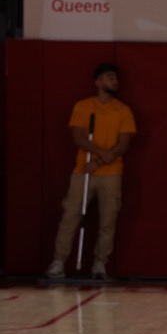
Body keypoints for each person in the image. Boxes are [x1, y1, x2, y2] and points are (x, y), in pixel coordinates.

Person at [47, 63, 136, 280]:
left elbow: (123, 144)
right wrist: (98, 156)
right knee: (71, 216)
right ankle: (58, 262)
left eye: (115, 77)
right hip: (83, 171)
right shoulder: (83, 107)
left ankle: (99, 265)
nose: (113, 81)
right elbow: (78, 137)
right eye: (109, 77)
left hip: (111, 174)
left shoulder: (123, 111)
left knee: (108, 220)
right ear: (98, 82)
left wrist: (100, 160)